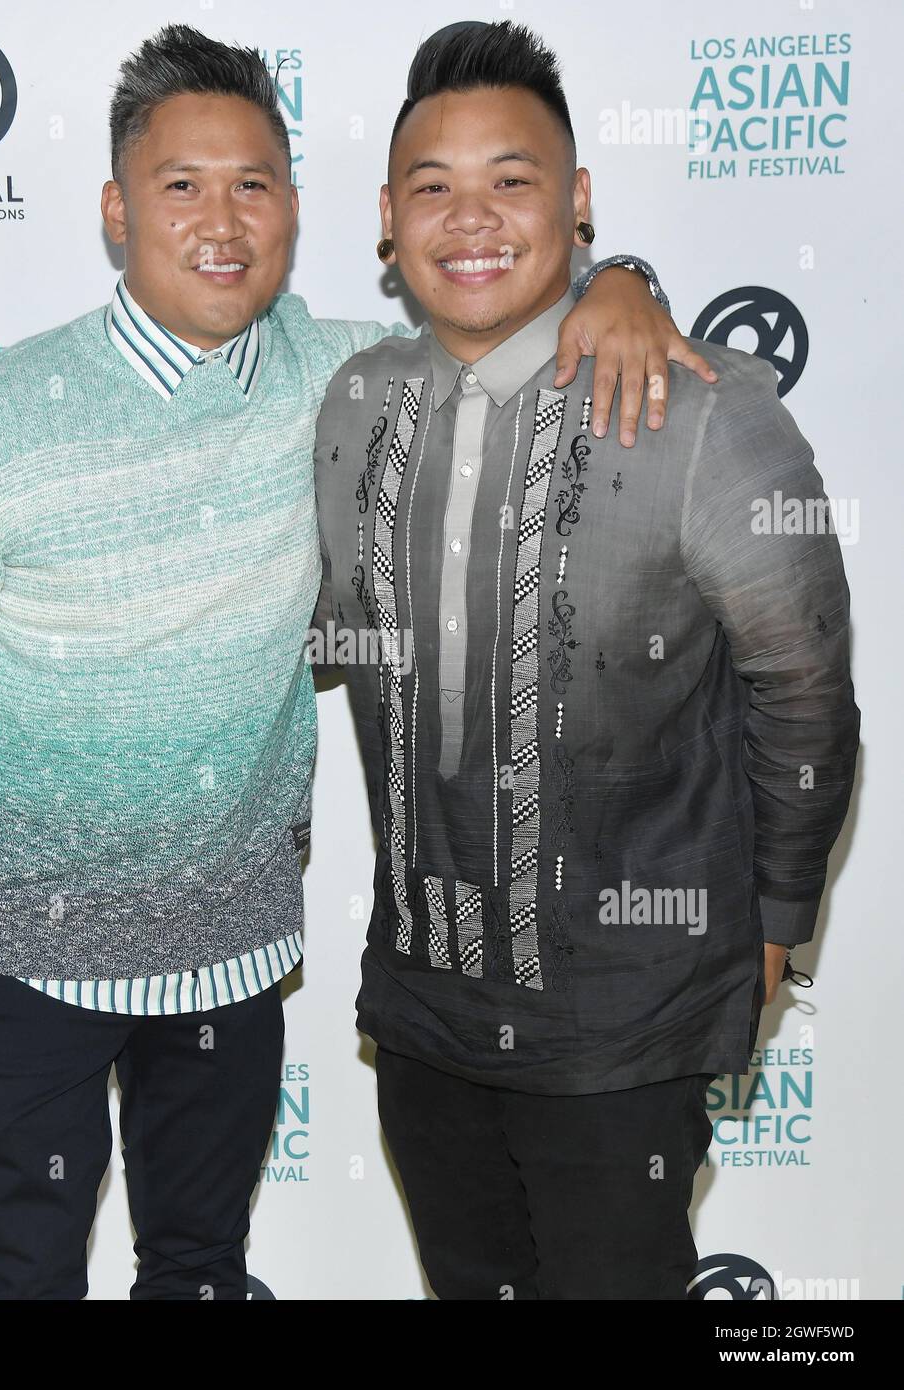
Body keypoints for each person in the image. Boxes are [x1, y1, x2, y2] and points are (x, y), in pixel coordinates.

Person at [0, 23, 708, 1299]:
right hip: (21, 958)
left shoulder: (343, 382)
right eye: (180, 184)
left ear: (296, 212)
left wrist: (618, 275)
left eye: (251, 184)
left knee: (200, 1269)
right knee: (15, 1277)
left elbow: (495, 298)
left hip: (232, 960)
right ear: (113, 208)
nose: (221, 218)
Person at [312, 20, 859, 1299]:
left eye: (512, 179)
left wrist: (775, 920)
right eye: (432, 188)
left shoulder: (706, 409)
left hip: (626, 1017)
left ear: (578, 202)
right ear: (387, 221)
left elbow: (802, 694)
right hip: (421, 1001)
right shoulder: (348, 401)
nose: (472, 217)